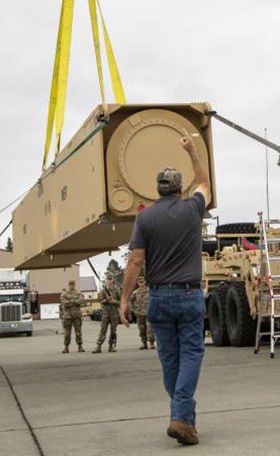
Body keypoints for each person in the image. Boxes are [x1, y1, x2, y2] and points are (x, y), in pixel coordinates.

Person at [120, 135, 210, 447]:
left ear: (157, 190)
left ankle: (185, 420)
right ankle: (181, 416)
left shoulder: (144, 217)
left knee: (170, 359)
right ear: (180, 189)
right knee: (192, 354)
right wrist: (192, 151)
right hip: (188, 295)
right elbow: (204, 182)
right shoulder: (192, 209)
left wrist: (124, 298)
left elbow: (135, 261)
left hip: (157, 297)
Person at [93, 276, 122, 353]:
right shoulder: (103, 291)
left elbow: (121, 302)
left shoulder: (117, 291)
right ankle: (98, 346)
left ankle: (111, 346)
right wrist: (107, 300)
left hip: (114, 314)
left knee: (113, 331)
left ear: (113, 281)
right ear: (106, 281)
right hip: (105, 313)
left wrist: (114, 302)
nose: (109, 281)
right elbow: (100, 301)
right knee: (103, 330)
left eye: (110, 279)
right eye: (108, 279)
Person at [129, 277, 155, 350]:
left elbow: (154, 299)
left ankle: (152, 343)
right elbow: (130, 301)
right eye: (139, 282)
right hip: (139, 313)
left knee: (150, 328)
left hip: (149, 312)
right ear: (138, 283)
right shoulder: (135, 292)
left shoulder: (150, 291)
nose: (141, 283)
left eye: (142, 281)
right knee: (142, 329)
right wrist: (133, 310)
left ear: (145, 282)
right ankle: (144, 343)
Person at [60, 279, 85, 354]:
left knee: (78, 332)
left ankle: (80, 346)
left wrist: (70, 300)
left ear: (74, 285)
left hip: (77, 316)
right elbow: (64, 303)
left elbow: (80, 301)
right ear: (68, 285)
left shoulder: (78, 293)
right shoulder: (64, 294)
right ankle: (66, 347)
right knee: (67, 333)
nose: (71, 286)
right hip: (67, 316)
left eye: (73, 284)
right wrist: (74, 301)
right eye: (70, 284)